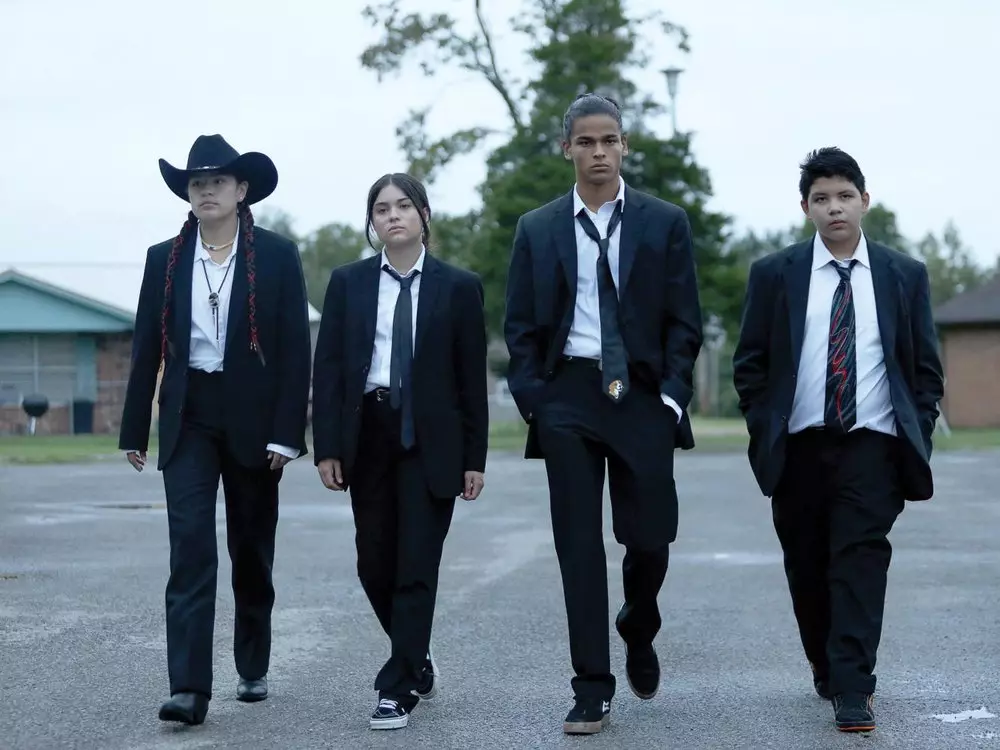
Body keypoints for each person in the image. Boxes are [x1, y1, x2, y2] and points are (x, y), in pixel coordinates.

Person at [503, 93, 704, 735]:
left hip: (642, 396)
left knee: (650, 537)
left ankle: (638, 623)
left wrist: (671, 395)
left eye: (609, 140)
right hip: (568, 395)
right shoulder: (537, 228)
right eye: (585, 142)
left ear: (624, 146)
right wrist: (535, 397)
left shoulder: (664, 221)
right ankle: (591, 685)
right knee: (578, 547)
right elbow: (520, 326)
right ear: (567, 148)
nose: (598, 152)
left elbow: (684, 320)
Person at [732, 147, 945, 733]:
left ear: (865, 201)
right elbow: (750, 363)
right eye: (821, 199)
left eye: (844, 196)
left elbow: (925, 368)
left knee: (859, 560)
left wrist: (916, 429)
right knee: (807, 565)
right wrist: (761, 425)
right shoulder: (775, 274)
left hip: (871, 445)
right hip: (799, 446)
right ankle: (825, 664)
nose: (834, 209)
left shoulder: (904, 275)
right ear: (805, 208)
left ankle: (855, 685)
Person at [118, 134, 312, 726]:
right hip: (189, 415)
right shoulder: (165, 258)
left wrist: (287, 434)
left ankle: (252, 661)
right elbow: (147, 344)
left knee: (250, 549)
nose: (206, 190)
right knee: (191, 550)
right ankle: (189, 688)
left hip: (253, 417)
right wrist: (134, 428)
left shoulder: (277, 255)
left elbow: (293, 349)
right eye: (196, 183)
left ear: (240, 190)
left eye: (217, 182)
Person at [311, 172, 489, 730]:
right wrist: (327, 447)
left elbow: (470, 379)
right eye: (382, 208)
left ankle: (398, 684)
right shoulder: (348, 283)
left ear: (424, 216)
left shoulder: (459, 287)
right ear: (373, 222)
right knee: (374, 560)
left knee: (417, 563)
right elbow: (332, 369)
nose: (393, 216)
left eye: (404, 206)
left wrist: (474, 457)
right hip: (370, 435)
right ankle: (415, 651)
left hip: (433, 441)